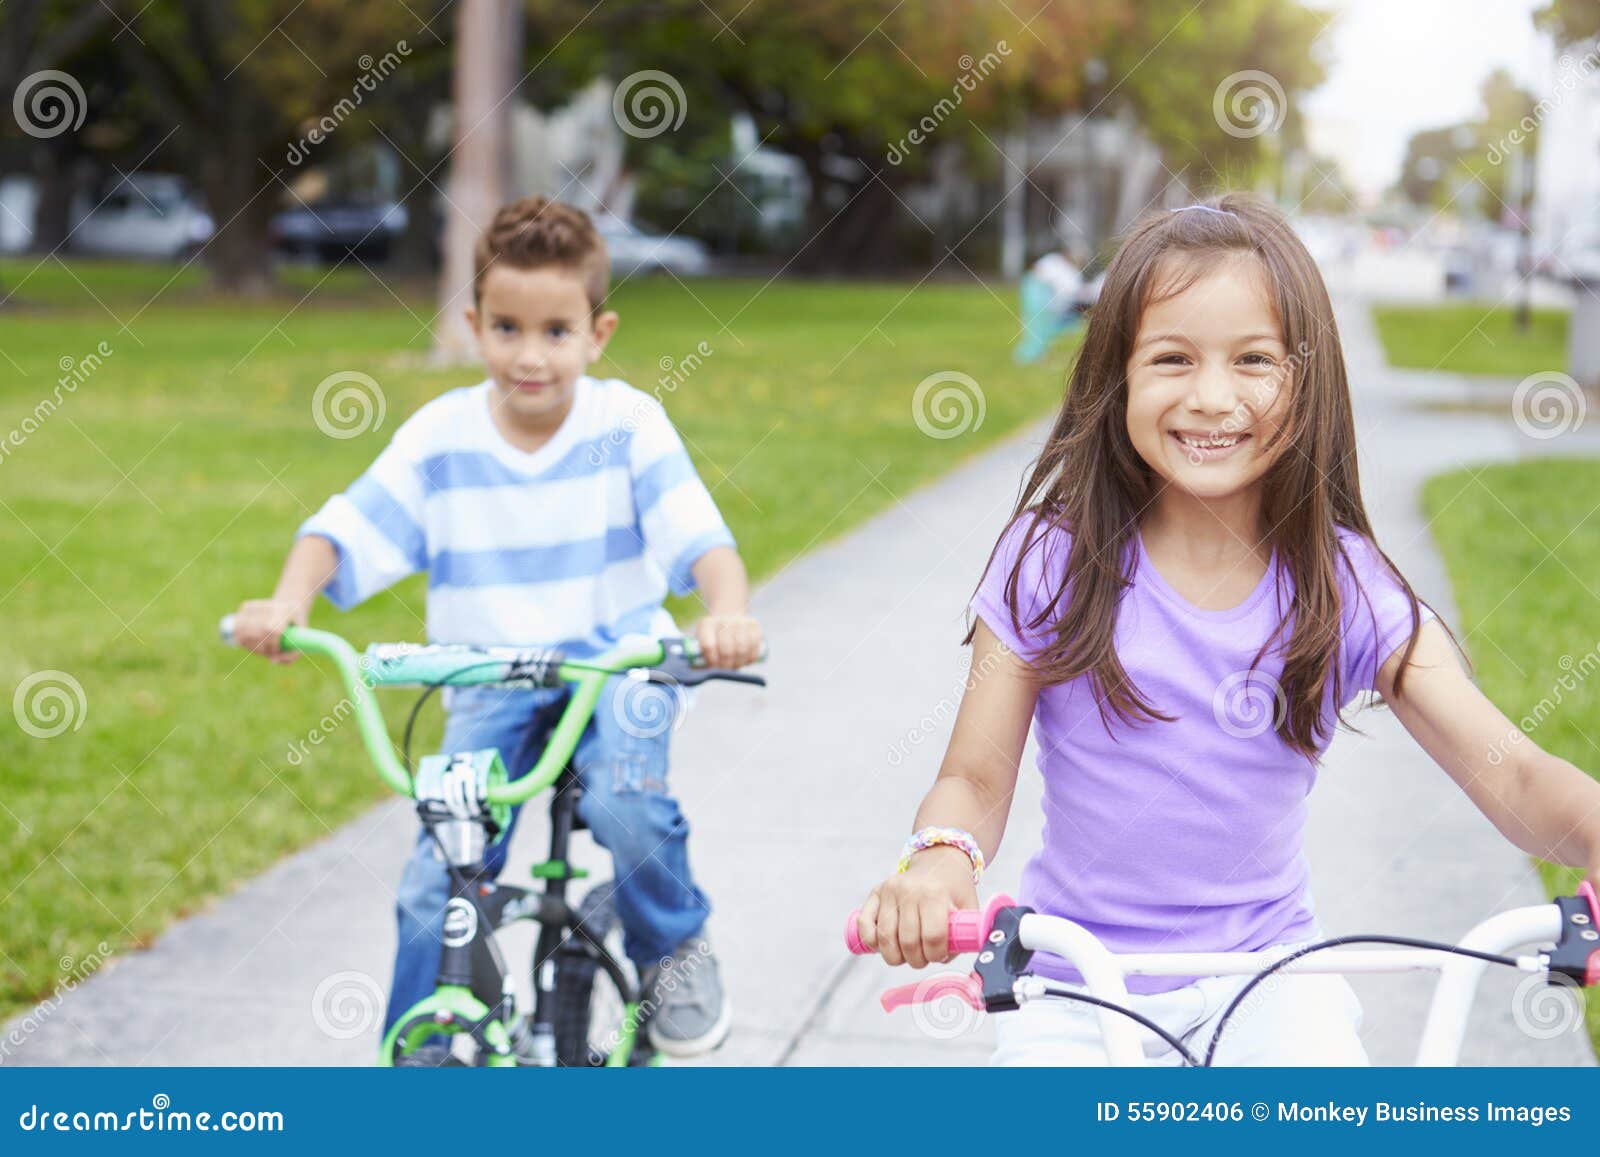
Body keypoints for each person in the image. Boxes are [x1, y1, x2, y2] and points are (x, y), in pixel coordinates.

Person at [853, 193, 1600, 1065]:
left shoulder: (1344, 581)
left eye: (1254, 359)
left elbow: (1515, 778)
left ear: (1305, 378)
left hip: (1269, 975)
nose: (1213, 398)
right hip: (1076, 975)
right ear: (1117, 378)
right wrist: (941, 861)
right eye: (1172, 358)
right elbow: (974, 781)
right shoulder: (1050, 560)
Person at [231, 195, 762, 1062]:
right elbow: (342, 527)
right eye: (507, 328)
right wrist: (289, 600)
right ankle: (427, 1050)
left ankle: (673, 951)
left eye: (557, 331)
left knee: (629, 805)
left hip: (615, 667)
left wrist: (726, 613)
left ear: (599, 333)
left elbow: (704, 543)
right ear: (475, 325)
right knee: (431, 880)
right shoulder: (441, 437)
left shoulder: (625, 425)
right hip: (487, 681)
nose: (530, 355)